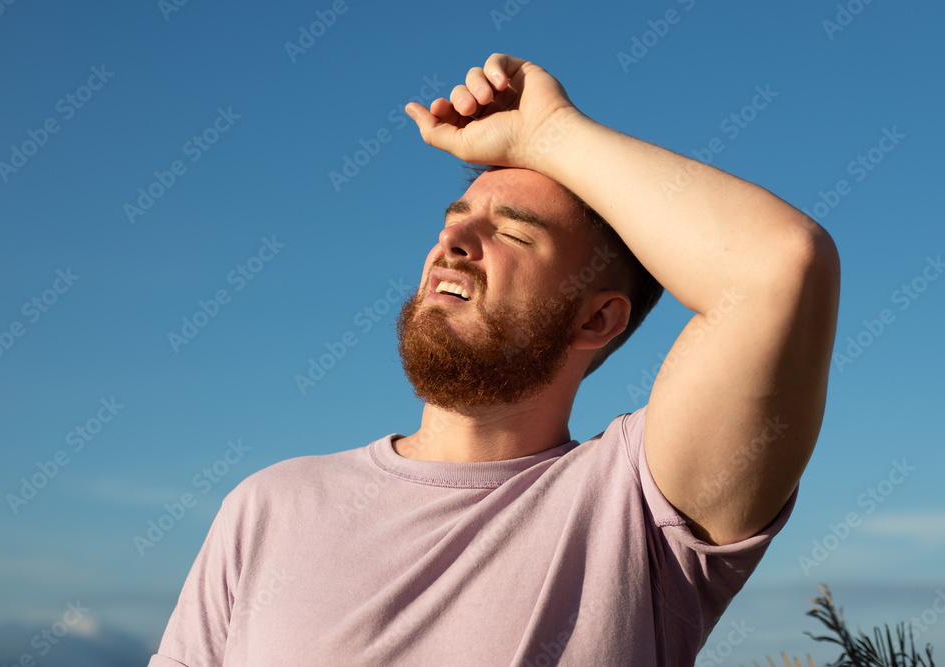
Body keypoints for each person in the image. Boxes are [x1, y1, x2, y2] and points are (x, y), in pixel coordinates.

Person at [148, 54, 840, 666]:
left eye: (510, 232)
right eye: (452, 222)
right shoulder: (269, 507)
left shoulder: (637, 511)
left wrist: (548, 134)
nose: (453, 242)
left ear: (596, 318)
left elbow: (781, 267)